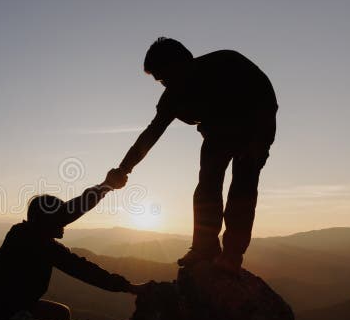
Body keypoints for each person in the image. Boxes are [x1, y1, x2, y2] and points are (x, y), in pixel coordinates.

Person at [109, 37, 278, 273]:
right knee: (207, 185)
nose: (165, 83)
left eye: (165, 76)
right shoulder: (172, 96)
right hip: (217, 132)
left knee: (243, 188)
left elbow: (266, 95)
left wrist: (257, 141)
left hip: (255, 125)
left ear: (182, 62)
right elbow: (152, 133)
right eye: (160, 80)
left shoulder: (228, 63)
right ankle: (204, 248)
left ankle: (231, 256)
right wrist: (123, 168)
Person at [0, 171, 141, 320]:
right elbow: (83, 269)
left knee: (59, 314)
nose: (65, 222)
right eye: (60, 218)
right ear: (48, 221)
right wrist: (126, 286)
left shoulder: (24, 234)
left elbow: (68, 214)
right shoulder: (37, 243)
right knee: (59, 318)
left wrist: (106, 186)